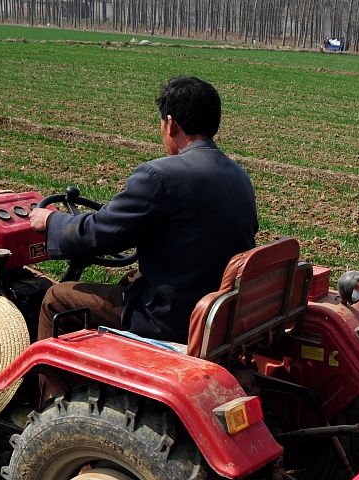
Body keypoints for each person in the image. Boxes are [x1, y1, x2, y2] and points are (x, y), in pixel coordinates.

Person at [30, 76, 258, 344]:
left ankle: (47, 385)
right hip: (216, 308)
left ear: (171, 124)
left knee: (55, 299)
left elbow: (98, 233)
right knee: (130, 278)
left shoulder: (159, 176)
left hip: (170, 318)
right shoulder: (238, 175)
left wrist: (52, 221)